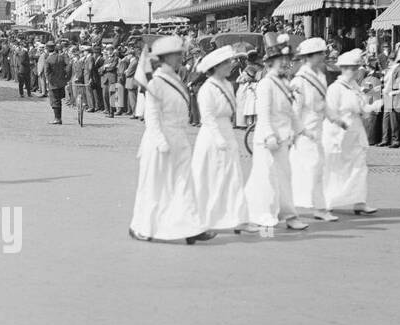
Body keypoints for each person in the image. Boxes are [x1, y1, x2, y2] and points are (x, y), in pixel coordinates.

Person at [128, 35, 215, 244]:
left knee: (184, 184)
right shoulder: (156, 82)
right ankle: (142, 227)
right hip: (160, 141)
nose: (179, 58)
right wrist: (160, 141)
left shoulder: (175, 79)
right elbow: (152, 116)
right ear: (165, 58)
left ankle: (191, 227)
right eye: (176, 55)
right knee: (155, 186)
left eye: (180, 55)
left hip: (179, 138)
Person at [244, 32, 309, 232]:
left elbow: (290, 111)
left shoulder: (284, 83)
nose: (284, 64)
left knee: (284, 177)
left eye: (286, 60)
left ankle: (289, 215)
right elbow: (263, 115)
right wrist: (269, 135)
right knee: (265, 178)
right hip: (267, 140)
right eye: (279, 60)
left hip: (283, 138)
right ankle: (260, 215)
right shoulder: (265, 84)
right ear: (269, 63)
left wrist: (301, 130)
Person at [191, 45, 252, 234]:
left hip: (227, 132)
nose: (230, 66)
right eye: (226, 63)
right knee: (211, 178)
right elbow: (207, 117)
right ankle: (205, 219)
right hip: (212, 137)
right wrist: (218, 138)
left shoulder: (227, 84)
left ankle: (238, 219)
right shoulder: (207, 89)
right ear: (216, 66)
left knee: (233, 176)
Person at [321, 49, 378, 215]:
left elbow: (362, 107)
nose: (354, 71)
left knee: (359, 166)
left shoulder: (354, 87)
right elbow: (330, 112)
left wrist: (373, 106)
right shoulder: (335, 88)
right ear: (343, 69)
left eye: (356, 68)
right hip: (338, 134)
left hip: (355, 132)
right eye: (351, 68)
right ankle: (328, 200)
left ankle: (359, 201)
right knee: (334, 168)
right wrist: (336, 131)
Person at [289, 37, 336, 222]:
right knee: (312, 167)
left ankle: (290, 205)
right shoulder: (299, 80)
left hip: (318, 128)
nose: (323, 56)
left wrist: (334, 118)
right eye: (320, 53)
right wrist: (297, 132)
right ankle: (319, 208)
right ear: (309, 57)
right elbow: (294, 110)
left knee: (307, 168)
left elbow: (323, 103)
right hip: (305, 130)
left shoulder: (321, 76)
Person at [41, 41, 70, 124]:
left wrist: (50, 81)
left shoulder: (48, 60)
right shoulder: (61, 58)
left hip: (53, 83)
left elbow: (47, 73)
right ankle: (58, 118)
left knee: (54, 101)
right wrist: (65, 78)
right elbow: (68, 67)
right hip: (61, 82)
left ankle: (57, 118)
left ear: (47, 49)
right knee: (59, 100)